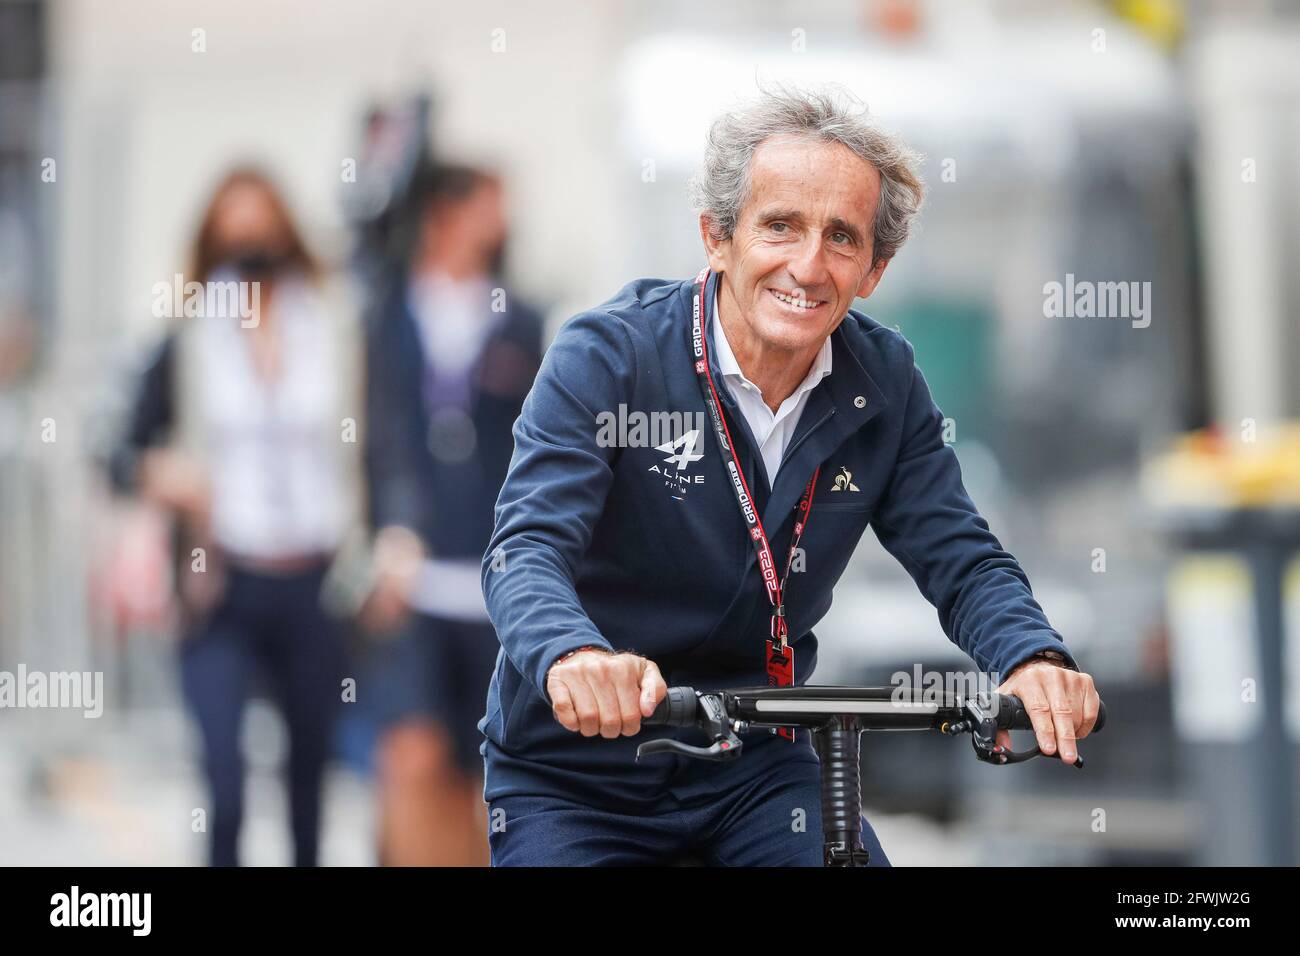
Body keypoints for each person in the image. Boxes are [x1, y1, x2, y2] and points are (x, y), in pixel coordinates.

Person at [479, 85, 1103, 866]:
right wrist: (574, 656)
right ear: (717, 237)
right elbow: (525, 549)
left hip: (755, 768)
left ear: (874, 269)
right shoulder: (608, 358)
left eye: (841, 237)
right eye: (780, 225)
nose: (807, 267)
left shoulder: (884, 382)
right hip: (577, 776)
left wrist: (1033, 658)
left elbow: (964, 559)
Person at [110, 167, 364, 866]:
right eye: (235, 234)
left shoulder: (333, 326)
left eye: (262, 230)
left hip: (314, 577)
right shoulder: (189, 334)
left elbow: (374, 446)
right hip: (218, 581)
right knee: (223, 783)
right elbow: (119, 451)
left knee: (310, 778)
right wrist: (163, 473)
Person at [362, 164, 543, 866]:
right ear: (444, 214)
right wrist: (375, 543)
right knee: (411, 758)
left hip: (497, 581)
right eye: (486, 208)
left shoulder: (521, 320)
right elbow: (364, 437)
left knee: (489, 777)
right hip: (407, 576)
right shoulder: (384, 313)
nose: (501, 224)